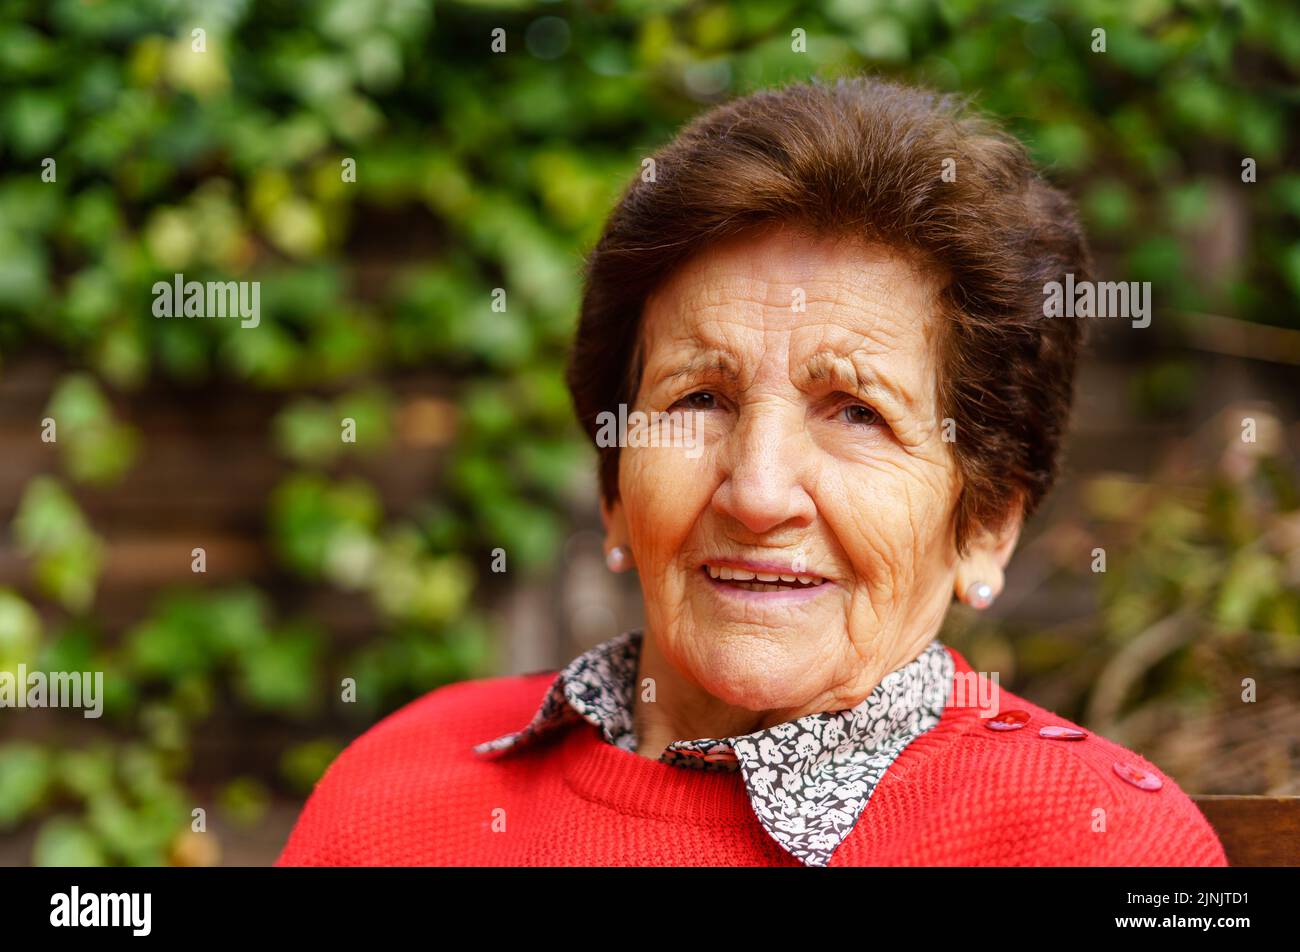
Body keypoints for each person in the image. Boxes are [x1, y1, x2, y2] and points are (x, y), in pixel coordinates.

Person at [278, 76, 1227, 867]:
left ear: (986, 522)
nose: (759, 493)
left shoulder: (1095, 841)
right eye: (699, 401)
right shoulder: (404, 782)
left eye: (857, 412)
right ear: (614, 485)